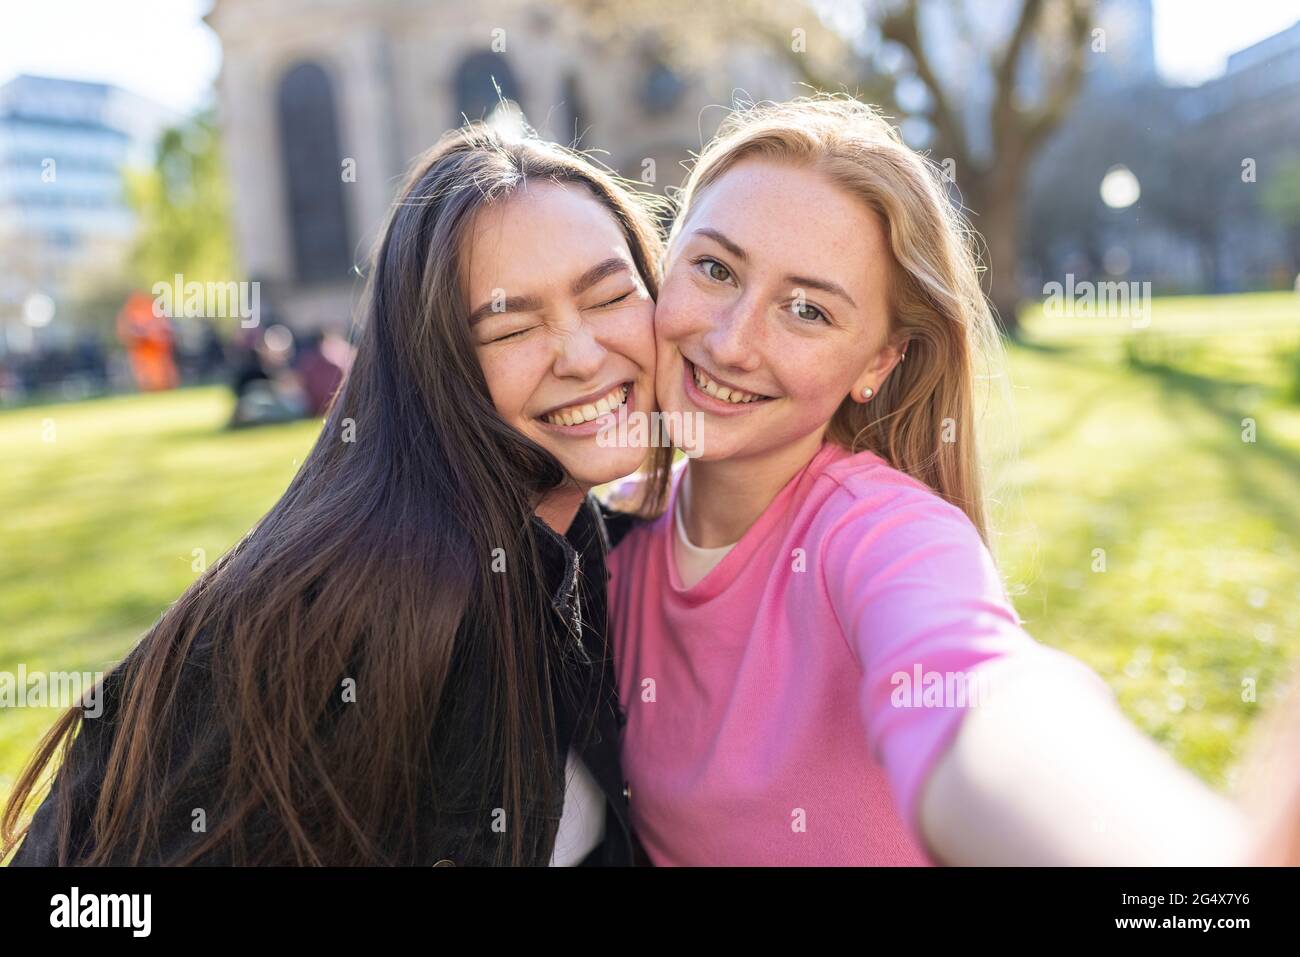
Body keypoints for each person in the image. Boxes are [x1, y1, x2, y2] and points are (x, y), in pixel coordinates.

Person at [603, 96, 1250, 866]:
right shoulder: (612, 531)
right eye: (714, 268)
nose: (731, 341)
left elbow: (972, 688)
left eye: (807, 310)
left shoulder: (883, 534)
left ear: (878, 363)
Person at [2, 122, 664, 866]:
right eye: (510, 327)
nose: (580, 354)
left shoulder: (592, 553)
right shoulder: (364, 611)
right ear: (436, 364)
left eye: (610, 295)